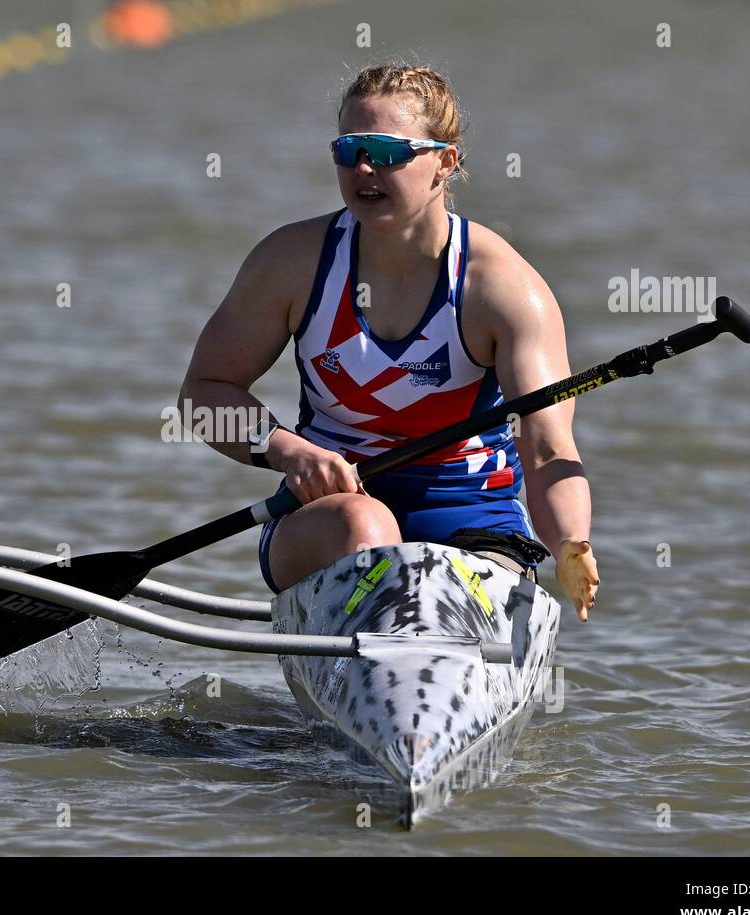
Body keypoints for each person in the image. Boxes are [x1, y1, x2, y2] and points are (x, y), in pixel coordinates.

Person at [178, 62, 599, 620]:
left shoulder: (504, 289)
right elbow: (204, 394)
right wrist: (291, 452)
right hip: (330, 518)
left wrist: (572, 542)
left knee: (432, 582)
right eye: (349, 150)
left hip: (470, 519)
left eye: (388, 151)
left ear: (444, 162)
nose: (365, 168)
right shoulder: (293, 263)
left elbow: (547, 450)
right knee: (365, 525)